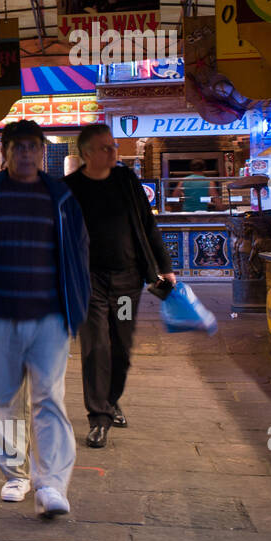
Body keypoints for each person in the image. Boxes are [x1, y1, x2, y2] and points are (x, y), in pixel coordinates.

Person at [0, 120, 91, 518]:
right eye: (18, 147)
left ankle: (52, 484)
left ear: (42, 151)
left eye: (32, 147)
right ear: (5, 151)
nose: (26, 154)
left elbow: (79, 251)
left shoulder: (61, 195)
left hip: (50, 317)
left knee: (49, 399)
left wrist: (76, 303)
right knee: (5, 401)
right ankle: (16, 475)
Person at [64, 125, 176, 448]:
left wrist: (165, 267)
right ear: (87, 154)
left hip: (126, 282)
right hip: (90, 283)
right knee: (96, 346)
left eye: (113, 146)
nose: (114, 152)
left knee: (121, 349)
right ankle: (99, 418)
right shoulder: (69, 189)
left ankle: (110, 400)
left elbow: (148, 225)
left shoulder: (127, 182)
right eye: (106, 148)